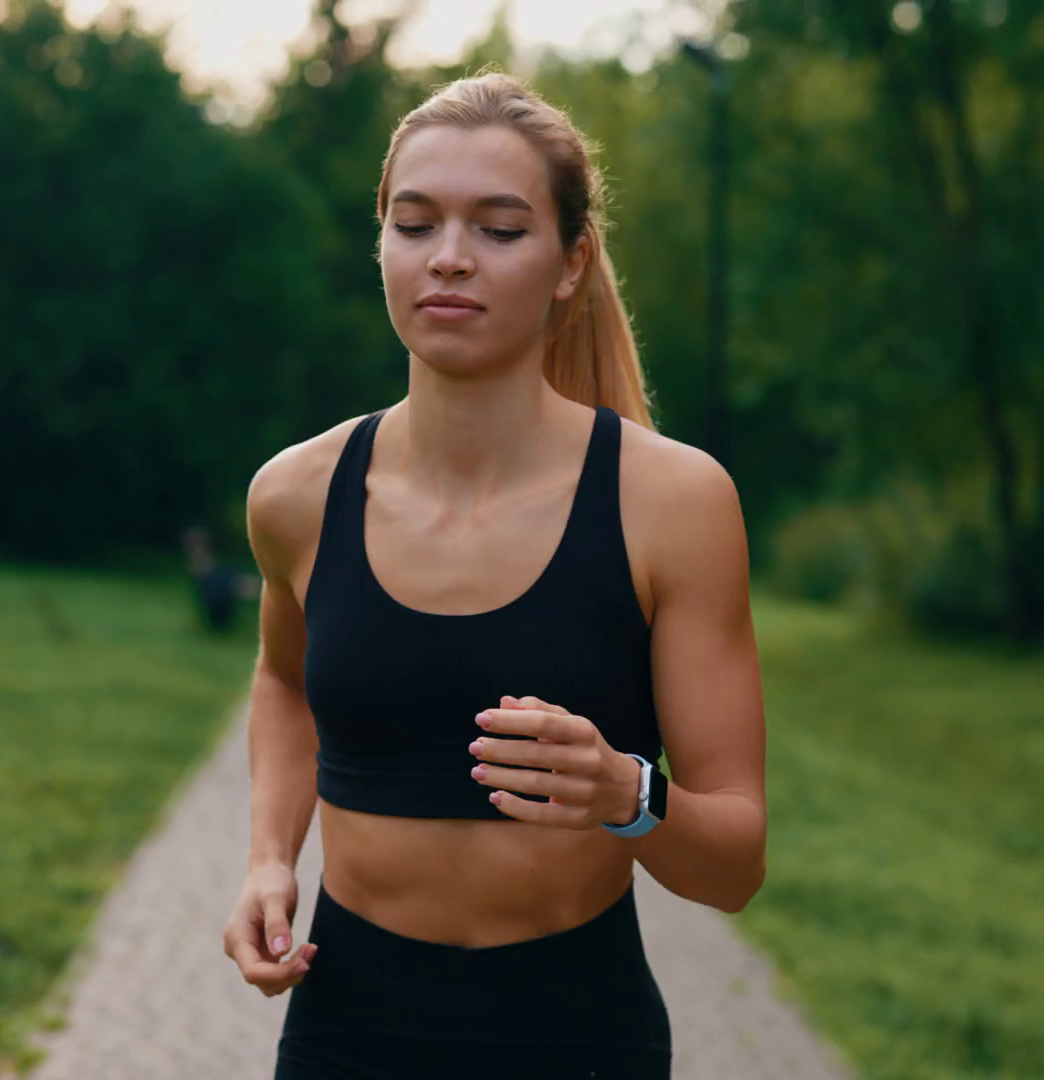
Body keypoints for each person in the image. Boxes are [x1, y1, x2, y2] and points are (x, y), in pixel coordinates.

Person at [224, 73, 768, 1079]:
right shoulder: (295, 495)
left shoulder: (674, 504)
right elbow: (285, 679)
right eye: (414, 222)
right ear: (380, 242)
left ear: (572, 262)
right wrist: (268, 858)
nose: (449, 260)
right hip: (348, 1028)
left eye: (501, 229)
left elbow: (735, 862)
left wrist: (624, 791)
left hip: (577, 1032)